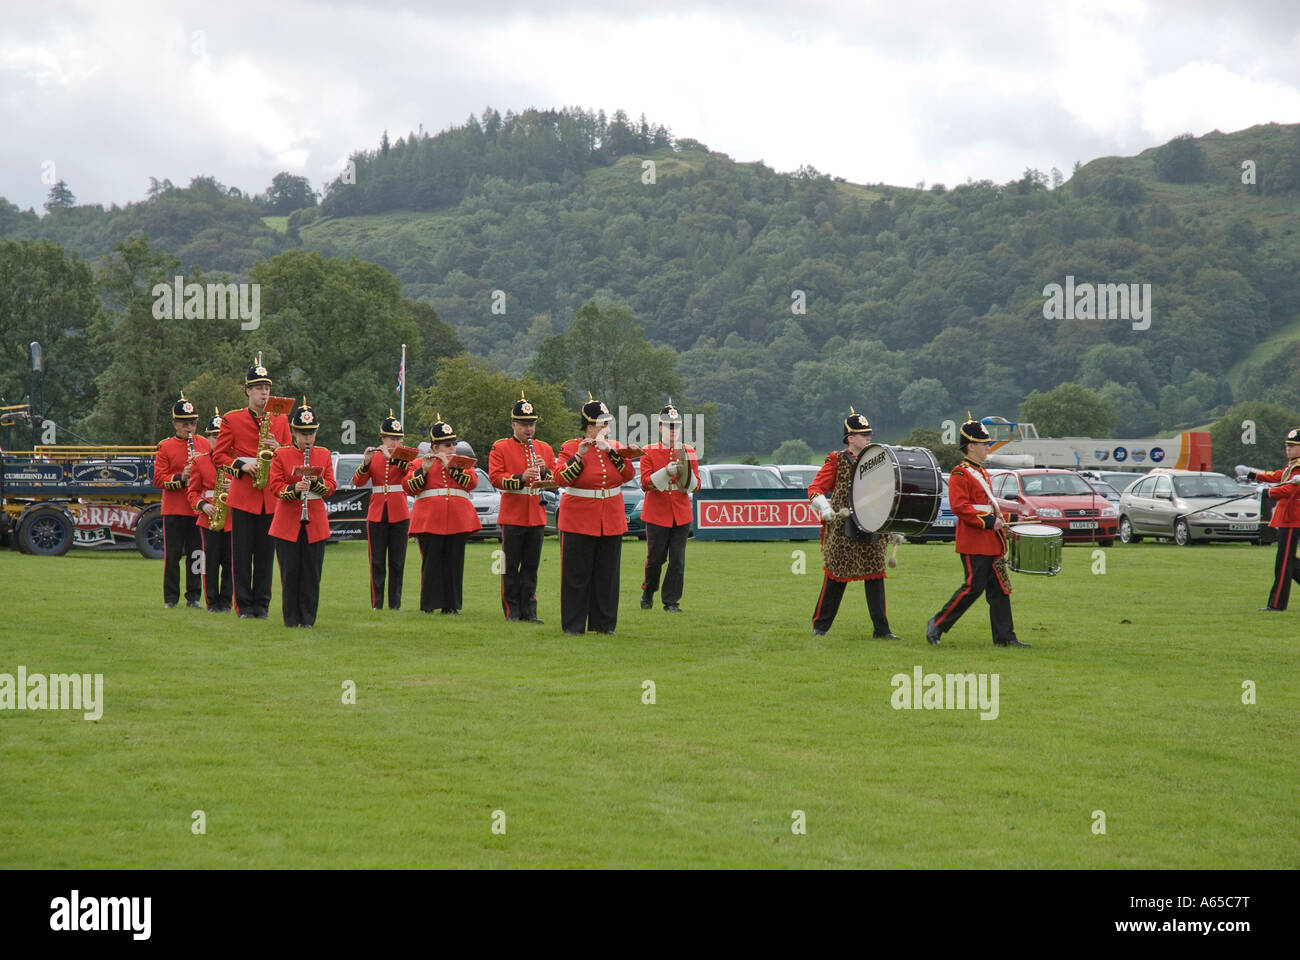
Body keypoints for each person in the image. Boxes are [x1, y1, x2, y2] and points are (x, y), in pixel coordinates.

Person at [926, 417, 1030, 648]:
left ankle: (1005, 637)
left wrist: (1013, 520)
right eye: (983, 444)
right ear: (970, 446)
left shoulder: (981, 472)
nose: (987, 447)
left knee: (1000, 589)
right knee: (973, 587)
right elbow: (960, 507)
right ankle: (937, 623)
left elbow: (990, 505)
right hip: (975, 541)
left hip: (992, 541)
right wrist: (990, 522)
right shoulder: (960, 474)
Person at [806, 409, 899, 638]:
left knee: (875, 577)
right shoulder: (836, 460)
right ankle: (820, 627)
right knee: (836, 578)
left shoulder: (879, 461)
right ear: (850, 438)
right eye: (862, 434)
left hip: (873, 523)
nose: (868, 437)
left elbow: (887, 494)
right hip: (843, 527)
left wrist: (894, 523)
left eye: (868, 433)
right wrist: (824, 507)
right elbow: (814, 489)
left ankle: (882, 630)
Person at [213, 361, 292, 619]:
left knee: (266, 557)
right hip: (244, 496)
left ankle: (262, 605)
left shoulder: (279, 420)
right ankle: (245, 607)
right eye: (258, 388)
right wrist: (242, 465)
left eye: (267, 388)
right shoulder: (232, 419)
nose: (264, 393)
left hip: (270, 497)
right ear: (247, 391)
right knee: (242, 555)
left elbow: (291, 455)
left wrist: (278, 446)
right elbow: (219, 456)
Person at [554, 396, 636, 635]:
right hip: (578, 517)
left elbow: (628, 474)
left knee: (607, 575)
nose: (607, 429)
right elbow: (560, 478)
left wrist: (610, 451)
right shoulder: (570, 447)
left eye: (608, 424)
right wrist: (578, 456)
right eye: (603, 425)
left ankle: (604, 624)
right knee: (576, 574)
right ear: (589, 427)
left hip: (610, 517)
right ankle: (574, 624)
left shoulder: (614, 447)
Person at [488, 393, 556, 623]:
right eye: (524, 425)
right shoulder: (501, 447)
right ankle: (512, 610)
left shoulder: (544, 449)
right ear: (514, 425)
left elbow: (555, 478)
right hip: (513, 514)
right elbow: (496, 478)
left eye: (532, 424)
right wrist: (521, 476)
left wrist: (545, 470)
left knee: (531, 566)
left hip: (536, 514)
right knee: (509, 566)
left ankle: (530, 610)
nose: (529, 430)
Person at [269, 399, 336, 628]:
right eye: (303, 433)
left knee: (311, 574)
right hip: (287, 521)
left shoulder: (324, 454)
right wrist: (294, 489)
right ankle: (291, 618)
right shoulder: (281, 454)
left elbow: (331, 486)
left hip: (315, 521)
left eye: (311, 433)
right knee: (290, 573)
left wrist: (316, 482)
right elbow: (275, 486)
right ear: (294, 432)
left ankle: (308, 619)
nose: (307, 438)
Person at [405, 417, 480, 614]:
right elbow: (409, 487)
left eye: (453, 445)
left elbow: (472, 482)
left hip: (458, 519)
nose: (452, 449)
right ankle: (429, 604)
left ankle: (451, 605)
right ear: (435, 447)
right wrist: (424, 470)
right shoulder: (420, 463)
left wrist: (452, 468)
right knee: (431, 564)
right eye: (447, 446)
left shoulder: (462, 463)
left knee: (454, 564)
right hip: (430, 519)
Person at [638, 400, 699, 613]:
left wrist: (686, 477)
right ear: (660, 427)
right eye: (668, 426)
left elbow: (696, 484)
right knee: (655, 559)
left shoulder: (688, 451)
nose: (673, 430)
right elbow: (645, 483)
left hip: (680, 513)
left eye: (676, 426)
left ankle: (671, 601)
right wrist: (666, 472)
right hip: (657, 512)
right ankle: (648, 590)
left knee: (677, 560)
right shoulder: (649, 451)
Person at [153, 394, 207, 609]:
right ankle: (170, 598)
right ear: (175, 424)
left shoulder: (204, 443)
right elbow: (159, 479)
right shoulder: (165, 447)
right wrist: (181, 477)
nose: (189, 428)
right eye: (185, 424)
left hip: (198, 508)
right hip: (175, 508)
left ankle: (193, 597)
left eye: (193, 423)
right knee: (173, 554)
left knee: (196, 554)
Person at [353, 412, 411, 610]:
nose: (394, 442)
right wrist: (366, 463)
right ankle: (377, 604)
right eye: (391, 438)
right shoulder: (375, 456)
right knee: (377, 561)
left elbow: (410, 473)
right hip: (377, 512)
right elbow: (357, 481)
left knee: (397, 562)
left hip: (399, 513)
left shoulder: (404, 456)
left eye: (397, 438)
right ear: (383, 439)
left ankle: (395, 604)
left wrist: (392, 457)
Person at [1240, 428, 1300, 611]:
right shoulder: (1292, 465)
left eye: (1293, 446)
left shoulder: (1298, 468)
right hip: (1287, 518)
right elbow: (1276, 476)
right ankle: (1276, 603)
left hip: (1292, 518)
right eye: (1287, 446)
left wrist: (1267, 491)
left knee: (1283, 563)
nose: (1288, 449)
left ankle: (1276, 604)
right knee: (1287, 561)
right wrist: (1252, 473)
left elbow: (1288, 490)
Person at [188, 408, 233, 612]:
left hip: (232, 518)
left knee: (230, 563)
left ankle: (227, 601)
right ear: (208, 437)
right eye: (214, 436)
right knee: (211, 563)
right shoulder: (200, 460)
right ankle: (212, 602)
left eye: (221, 435)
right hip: (209, 518)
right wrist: (203, 506)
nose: (217, 439)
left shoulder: (235, 461)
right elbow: (193, 492)